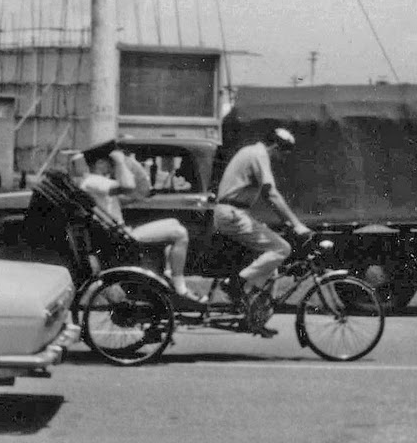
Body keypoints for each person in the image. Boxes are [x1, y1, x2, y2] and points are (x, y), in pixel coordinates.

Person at [214, 127, 311, 321]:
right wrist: (296, 224)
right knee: (282, 249)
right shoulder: (259, 154)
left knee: (271, 265)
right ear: (275, 146)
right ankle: (235, 283)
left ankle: (257, 317)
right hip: (233, 214)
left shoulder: (250, 151)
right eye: (283, 153)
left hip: (233, 213)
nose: (282, 159)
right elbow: (270, 193)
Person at [73, 148, 193, 297]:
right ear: (100, 163)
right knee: (180, 233)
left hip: (118, 233)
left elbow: (133, 191)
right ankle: (181, 288)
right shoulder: (93, 181)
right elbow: (129, 186)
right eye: (109, 164)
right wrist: (120, 161)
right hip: (120, 237)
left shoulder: (93, 182)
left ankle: (169, 274)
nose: (111, 167)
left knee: (173, 222)